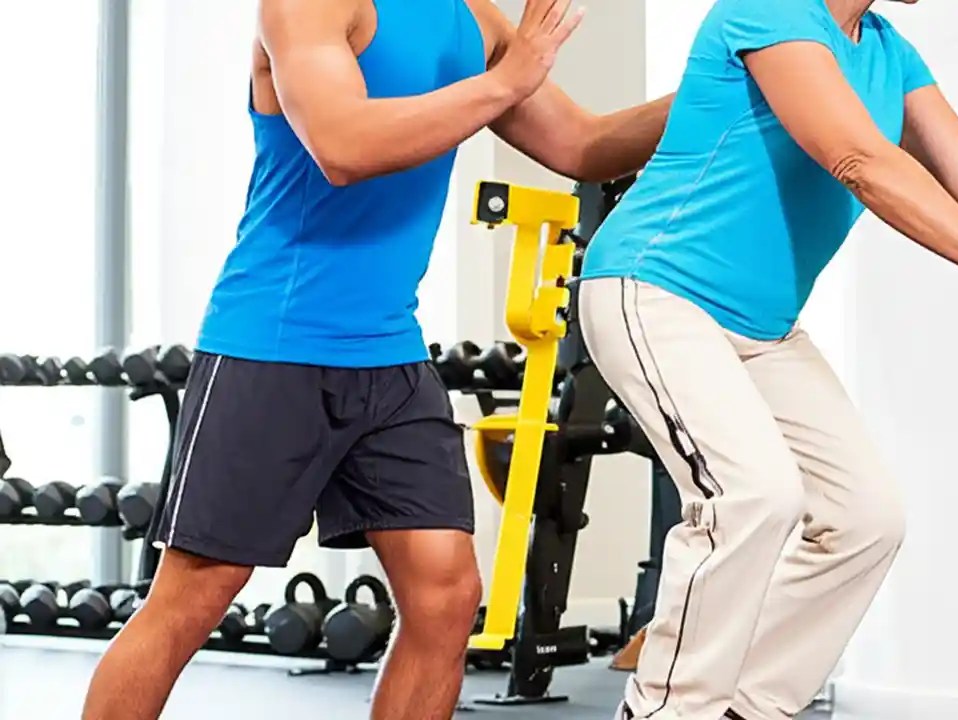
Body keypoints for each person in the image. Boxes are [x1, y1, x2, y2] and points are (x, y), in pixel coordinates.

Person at [578, 0, 958, 719]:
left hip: (763, 327)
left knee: (866, 518)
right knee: (753, 497)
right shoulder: (769, 11)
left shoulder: (885, 50)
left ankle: (746, 706)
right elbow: (859, 160)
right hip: (656, 290)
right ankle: (668, 711)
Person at [81, 1, 669, 718]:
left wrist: (721, 86)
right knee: (192, 598)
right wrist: (504, 82)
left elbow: (586, 145)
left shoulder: (470, 16)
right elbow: (342, 147)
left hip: (390, 354)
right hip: (275, 346)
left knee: (446, 599)